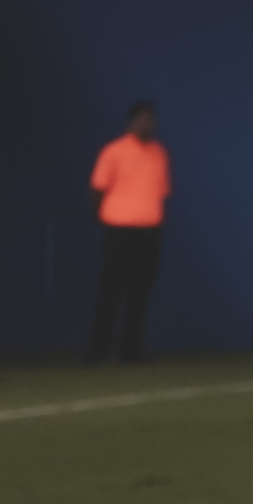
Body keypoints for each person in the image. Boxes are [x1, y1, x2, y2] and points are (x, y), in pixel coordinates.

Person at [87, 99, 170, 363]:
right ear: (132, 122)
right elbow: (97, 188)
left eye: (151, 119)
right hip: (120, 231)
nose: (148, 124)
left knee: (140, 292)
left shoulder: (159, 153)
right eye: (143, 119)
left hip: (149, 231)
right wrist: (106, 218)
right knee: (111, 292)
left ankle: (131, 350)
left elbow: (160, 192)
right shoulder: (114, 151)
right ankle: (97, 351)